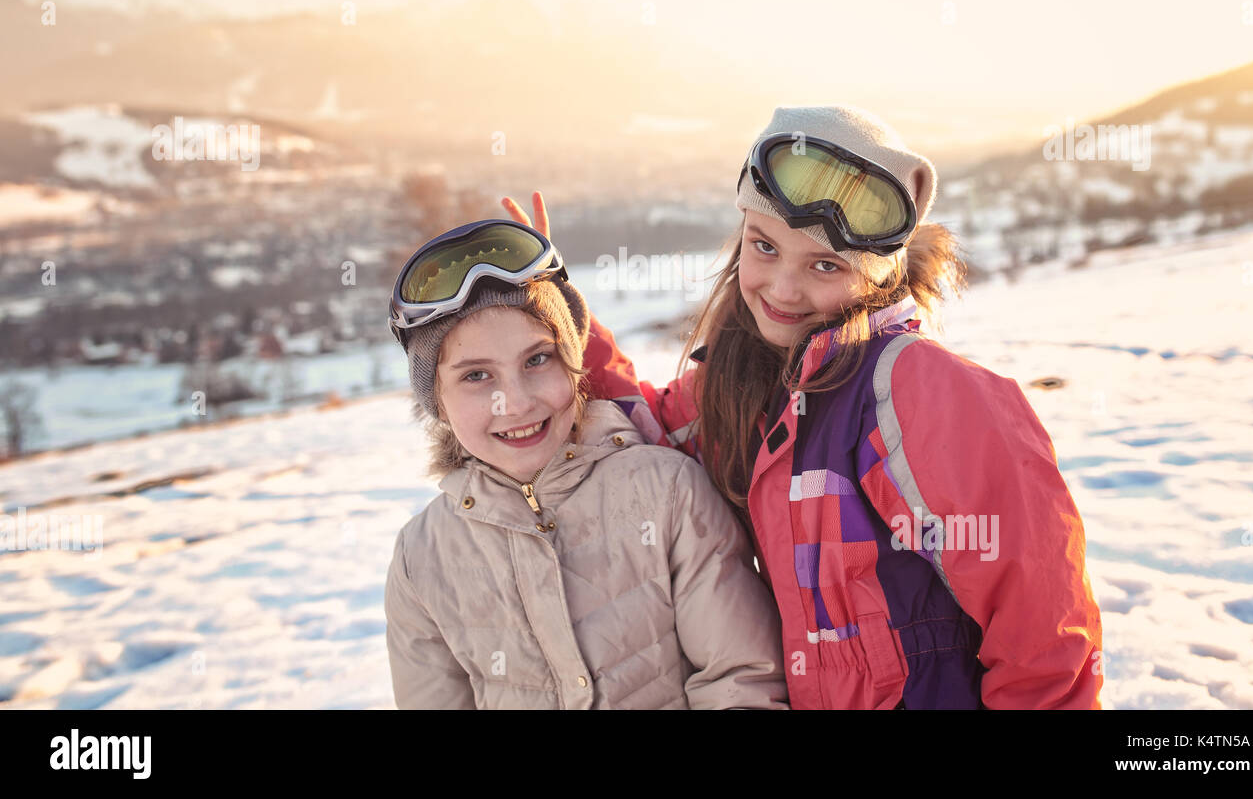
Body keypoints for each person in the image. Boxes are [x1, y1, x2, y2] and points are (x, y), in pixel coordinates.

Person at [503, 105, 1104, 709]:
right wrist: (564, 313)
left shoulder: (923, 390)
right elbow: (651, 431)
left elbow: (1043, 631)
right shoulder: (748, 383)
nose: (783, 289)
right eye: (764, 247)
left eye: (825, 265)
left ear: (877, 276)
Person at [383, 219, 788, 709]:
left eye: (538, 360)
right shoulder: (421, 559)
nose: (514, 403)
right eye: (475, 375)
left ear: (575, 363)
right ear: (438, 402)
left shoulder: (667, 492)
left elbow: (740, 679)